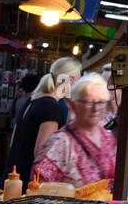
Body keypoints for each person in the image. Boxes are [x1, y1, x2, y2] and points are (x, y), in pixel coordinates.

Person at [31, 73, 124, 188]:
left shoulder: (108, 138)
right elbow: (38, 186)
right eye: (89, 102)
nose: (96, 109)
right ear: (74, 105)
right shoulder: (60, 142)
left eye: (101, 102)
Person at [7, 56, 81, 184]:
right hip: (29, 185)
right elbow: (42, 154)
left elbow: (12, 143)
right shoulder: (52, 108)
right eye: (79, 80)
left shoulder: (32, 101)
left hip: (13, 177)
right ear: (70, 80)